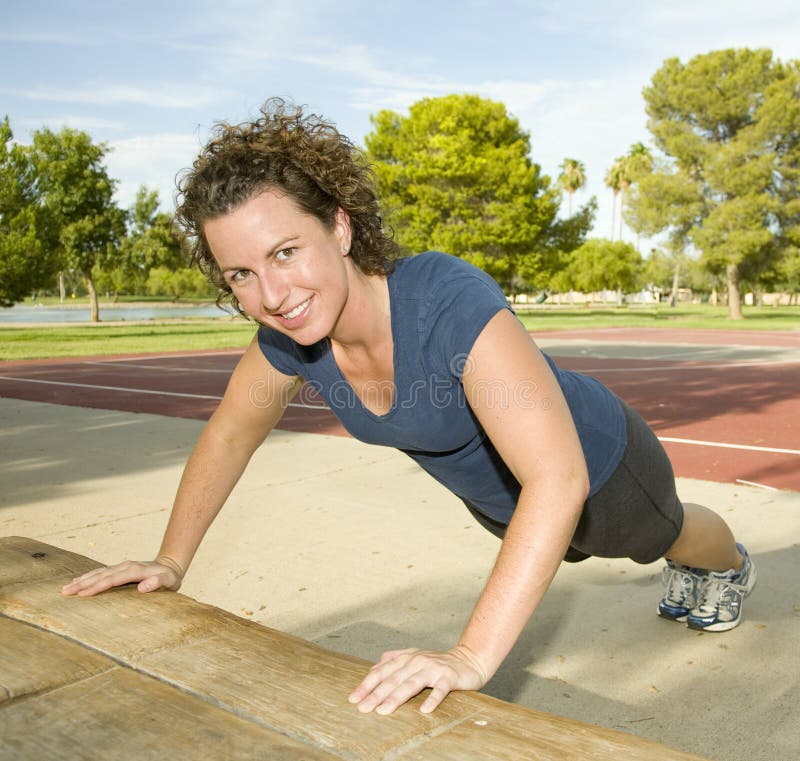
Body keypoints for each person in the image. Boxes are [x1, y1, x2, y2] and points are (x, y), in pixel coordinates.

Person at [62, 99, 756, 716]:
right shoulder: (288, 342)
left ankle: (728, 564)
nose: (271, 292)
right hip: (500, 498)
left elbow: (558, 478)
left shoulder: (446, 301)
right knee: (556, 549)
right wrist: (171, 560)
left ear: (338, 226)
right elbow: (229, 435)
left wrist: (471, 655)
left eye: (284, 251)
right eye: (242, 273)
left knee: (665, 537)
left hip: (599, 463)